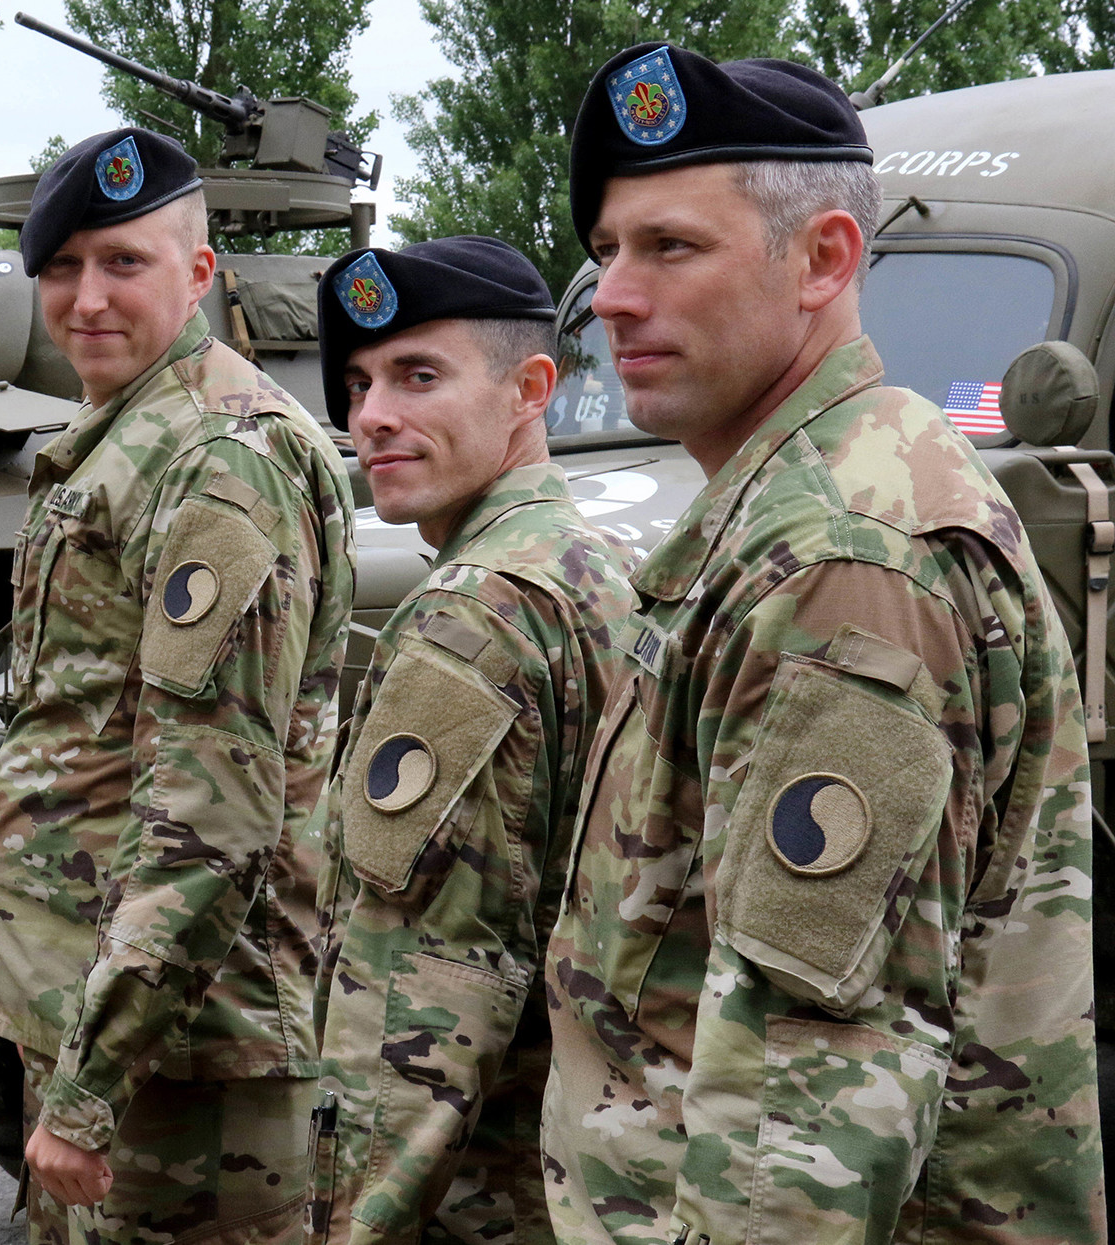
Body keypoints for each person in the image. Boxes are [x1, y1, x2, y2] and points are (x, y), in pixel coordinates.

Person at [542, 43, 1105, 1245]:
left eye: (670, 247)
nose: (612, 297)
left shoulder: (841, 562)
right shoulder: (797, 502)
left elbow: (805, 1103)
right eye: (605, 252)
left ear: (823, 261)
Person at [0, 125, 357, 1243]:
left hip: (182, 1056)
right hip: (113, 1020)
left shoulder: (216, 459)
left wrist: (90, 1092)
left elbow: (209, 809)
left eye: (122, 263)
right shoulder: (129, 432)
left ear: (198, 274)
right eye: (62, 267)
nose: (85, 298)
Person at [304, 237, 636, 1245]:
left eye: (418, 376)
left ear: (528, 388)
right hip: (579, 1159)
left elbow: (421, 989)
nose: (371, 417)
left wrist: (346, 1224)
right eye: (358, 384)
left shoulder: (473, 616)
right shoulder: (592, 564)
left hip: (481, 1190)